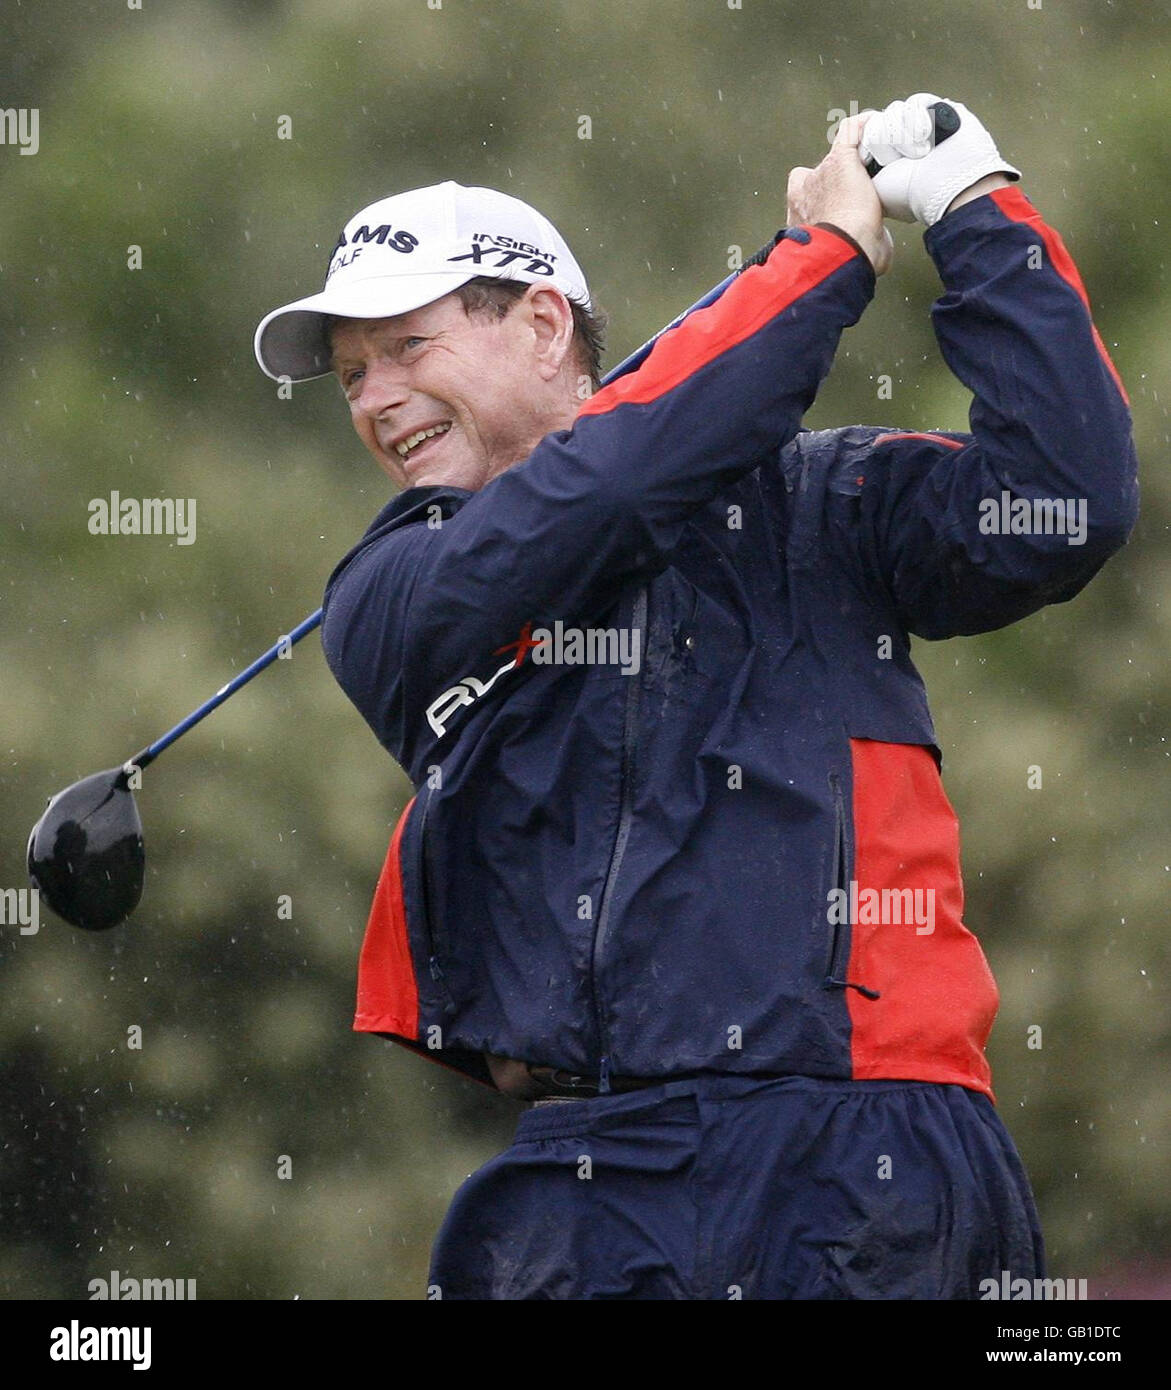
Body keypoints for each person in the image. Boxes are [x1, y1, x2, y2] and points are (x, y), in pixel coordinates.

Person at [253, 96, 1138, 1299]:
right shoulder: (392, 593)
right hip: (586, 1180)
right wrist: (820, 261)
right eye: (352, 376)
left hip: (871, 1150)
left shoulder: (829, 506)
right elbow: (610, 488)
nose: (375, 399)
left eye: (408, 349)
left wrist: (979, 216)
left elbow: (1066, 499)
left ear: (543, 323)